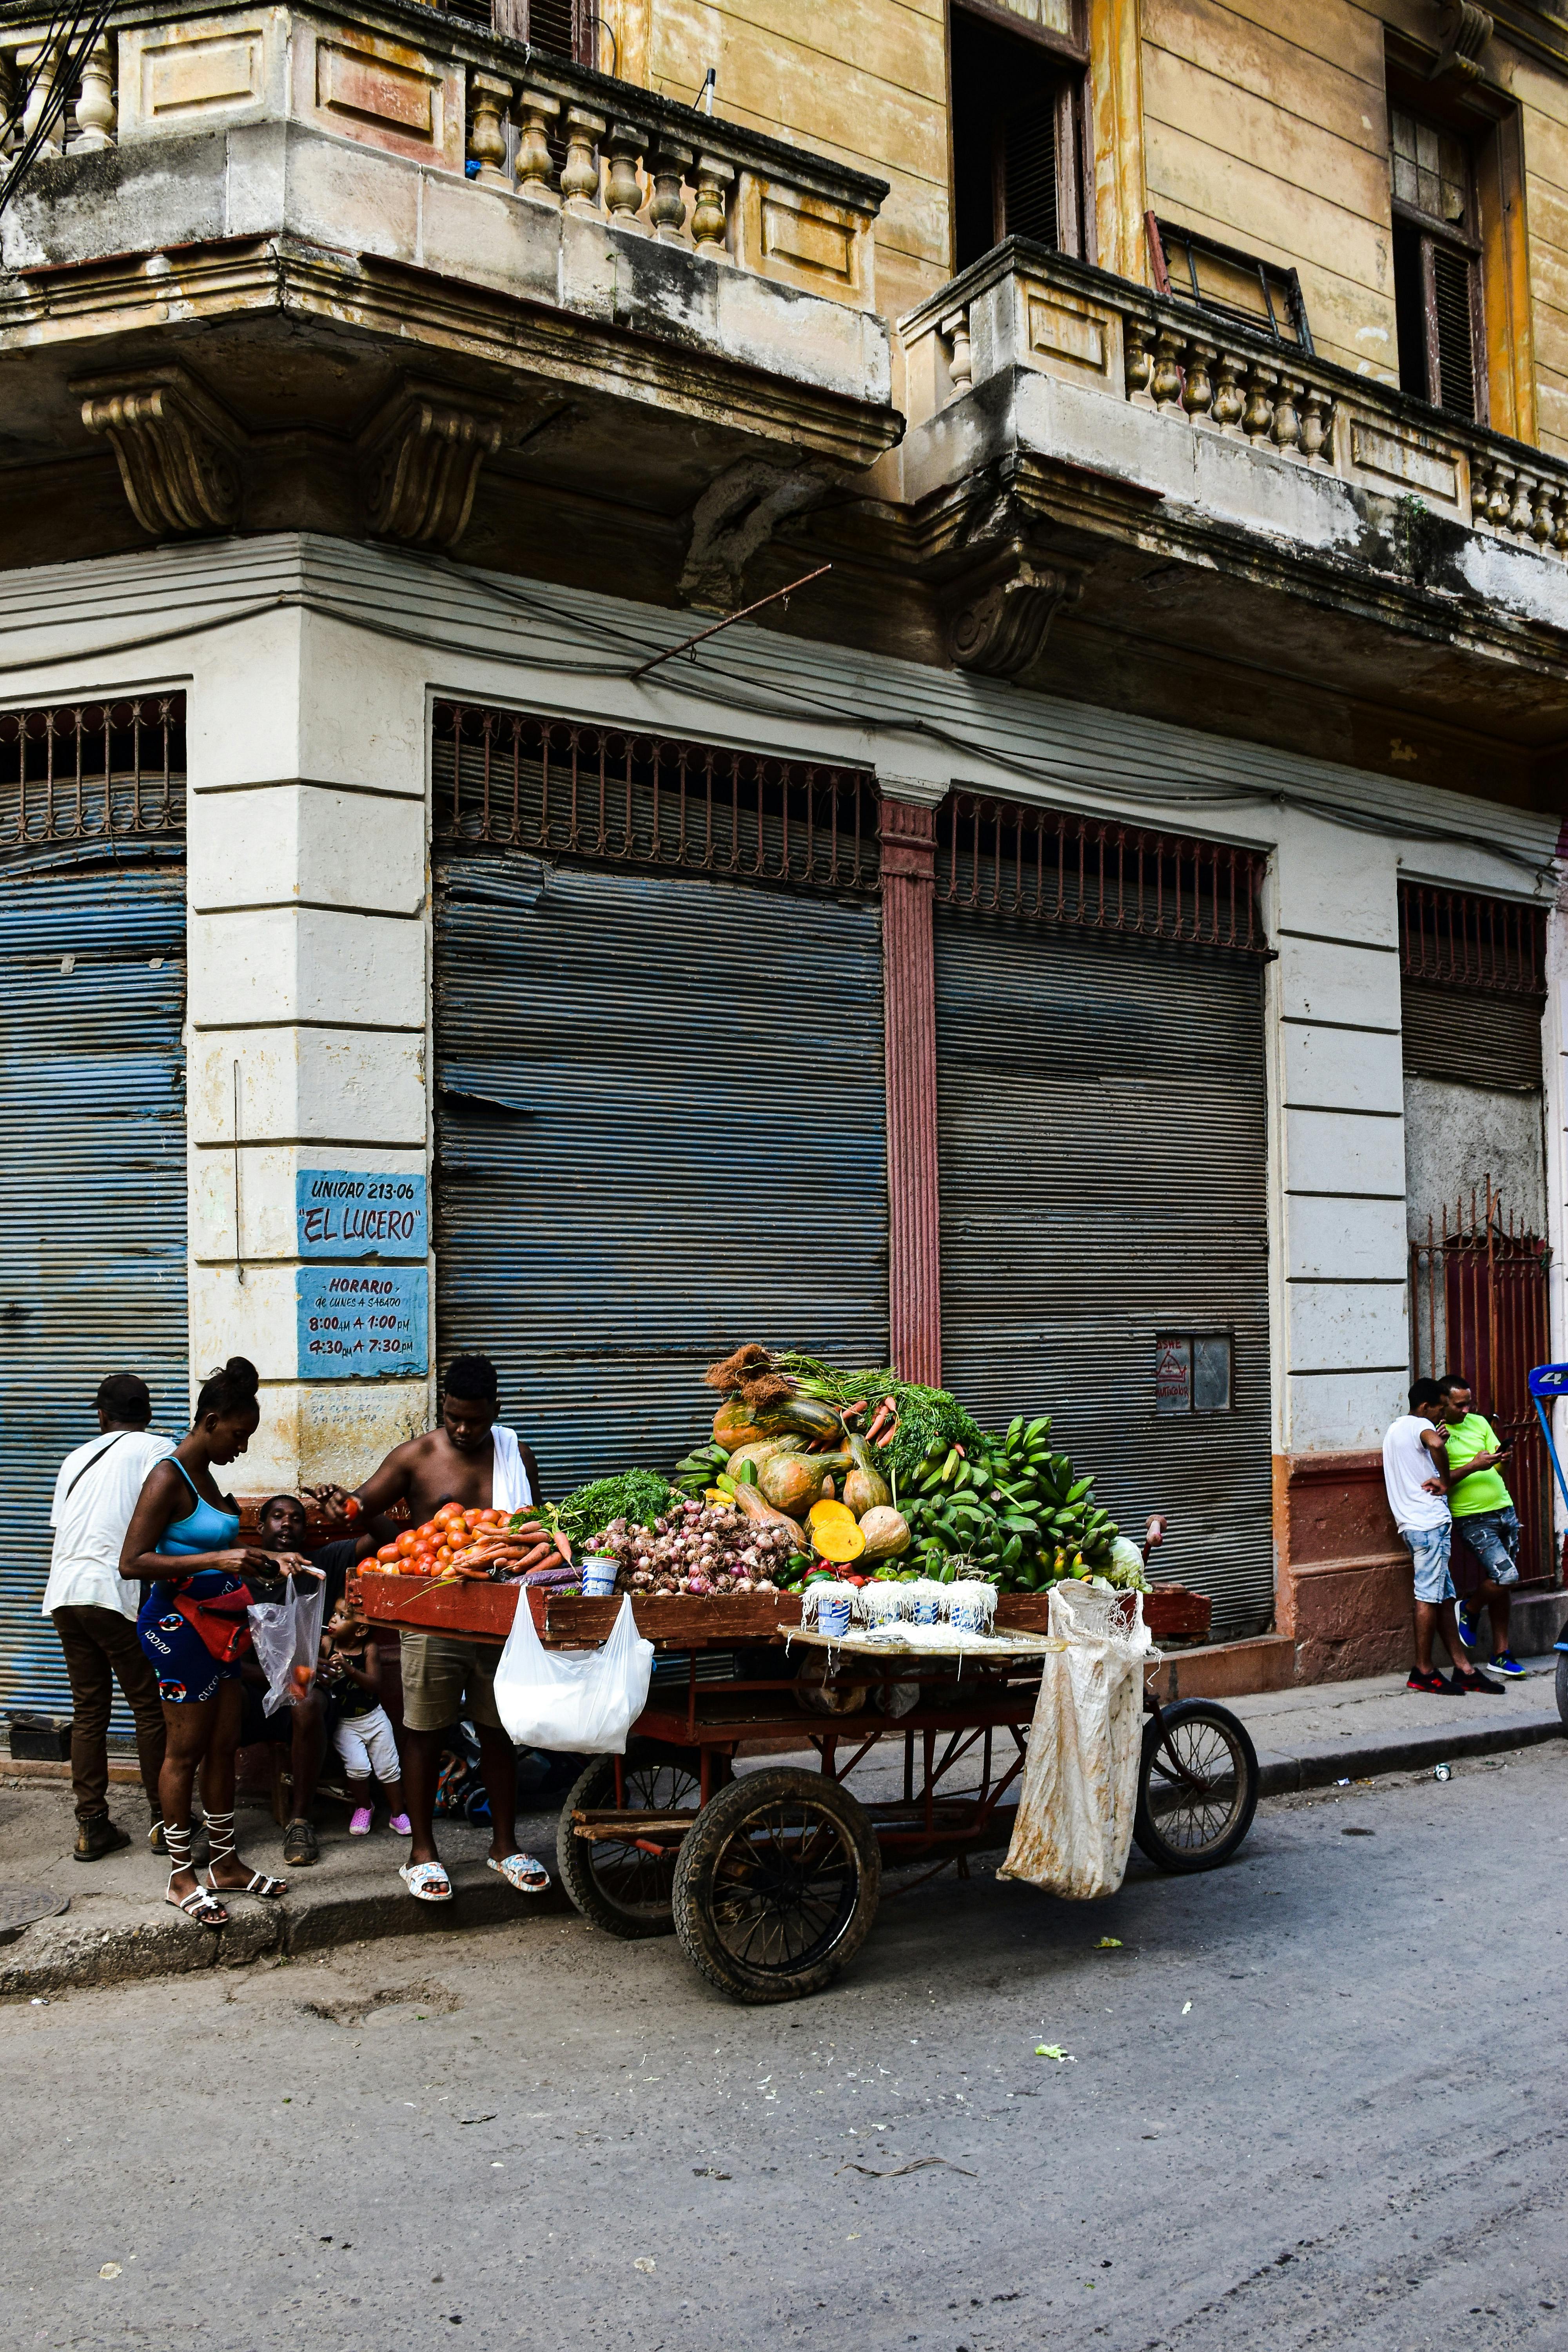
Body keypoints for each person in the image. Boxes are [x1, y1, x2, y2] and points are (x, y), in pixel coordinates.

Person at [310, 1353, 550, 1905]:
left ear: (496, 1409)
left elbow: (536, 1529)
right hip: (432, 1616)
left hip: (499, 1618)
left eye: (475, 1419)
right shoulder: (416, 1457)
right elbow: (362, 1506)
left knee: (500, 1732)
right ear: (442, 1408)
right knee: (423, 1731)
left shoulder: (518, 1454)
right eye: (453, 1417)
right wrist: (337, 1504)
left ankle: (506, 1845)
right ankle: (422, 1853)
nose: (464, 1429)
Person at [120, 1356, 323, 1929]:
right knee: (184, 1752)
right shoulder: (169, 1474)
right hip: (177, 1628)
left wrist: (270, 1558)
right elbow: (132, 1562)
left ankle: (226, 1864)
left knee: (224, 1745)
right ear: (211, 1421)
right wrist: (219, 1557)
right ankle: (182, 1875)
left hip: (222, 1627)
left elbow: (223, 1555)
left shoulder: (206, 1474)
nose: (242, 1447)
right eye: (238, 1435)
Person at [43, 1374, 175, 1861]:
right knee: (148, 1707)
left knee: (89, 1710)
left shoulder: (75, 1459)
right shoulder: (158, 1449)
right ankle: (166, 1820)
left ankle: (93, 1826)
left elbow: (66, 1527)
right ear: (148, 1412)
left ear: (102, 1415)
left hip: (64, 1593)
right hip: (111, 1594)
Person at [239, 1493, 377, 1867]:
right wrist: (276, 1678)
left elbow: (381, 1538)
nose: (287, 1524)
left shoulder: (321, 1565)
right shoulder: (238, 1571)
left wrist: (354, 1509)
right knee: (212, 1699)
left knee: (308, 1702)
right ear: (260, 1527)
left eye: (297, 1518)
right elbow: (231, 1660)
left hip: (303, 1689)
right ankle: (214, 1828)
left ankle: (300, 1821)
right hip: (251, 1687)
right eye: (278, 1517)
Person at [1382, 1377, 1501, 1696]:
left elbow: (1427, 1449)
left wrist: (1438, 1441)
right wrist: (1445, 1481)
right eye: (1439, 1409)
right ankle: (1423, 1670)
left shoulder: (1396, 1430)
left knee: (1445, 1598)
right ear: (1425, 1407)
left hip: (1415, 1525)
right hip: (1428, 1525)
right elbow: (1433, 1444)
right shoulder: (1421, 1425)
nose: (1442, 1415)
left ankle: (1464, 1670)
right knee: (1427, 1597)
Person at [1436, 1372, 1525, 1679]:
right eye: (1460, 1406)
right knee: (1506, 1575)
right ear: (1443, 1403)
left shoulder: (1481, 1423)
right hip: (1472, 1517)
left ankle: (1501, 1654)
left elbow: (1500, 1470)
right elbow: (1440, 1482)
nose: (1466, 1411)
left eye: (1469, 1404)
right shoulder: (1436, 1434)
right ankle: (1470, 1610)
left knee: (1504, 1583)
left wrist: (1505, 1459)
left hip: (1504, 1509)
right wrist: (1474, 1465)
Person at [318, 1599, 410, 1837]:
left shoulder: (369, 1649)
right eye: (334, 1614)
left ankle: (398, 1813)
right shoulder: (326, 1643)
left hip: (375, 1719)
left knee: (389, 1768)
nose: (333, 1619)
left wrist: (349, 1669)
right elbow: (318, 1675)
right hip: (345, 1723)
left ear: (360, 1630)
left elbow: (375, 1685)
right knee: (357, 1768)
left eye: (342, 1616)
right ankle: (363, 1806)